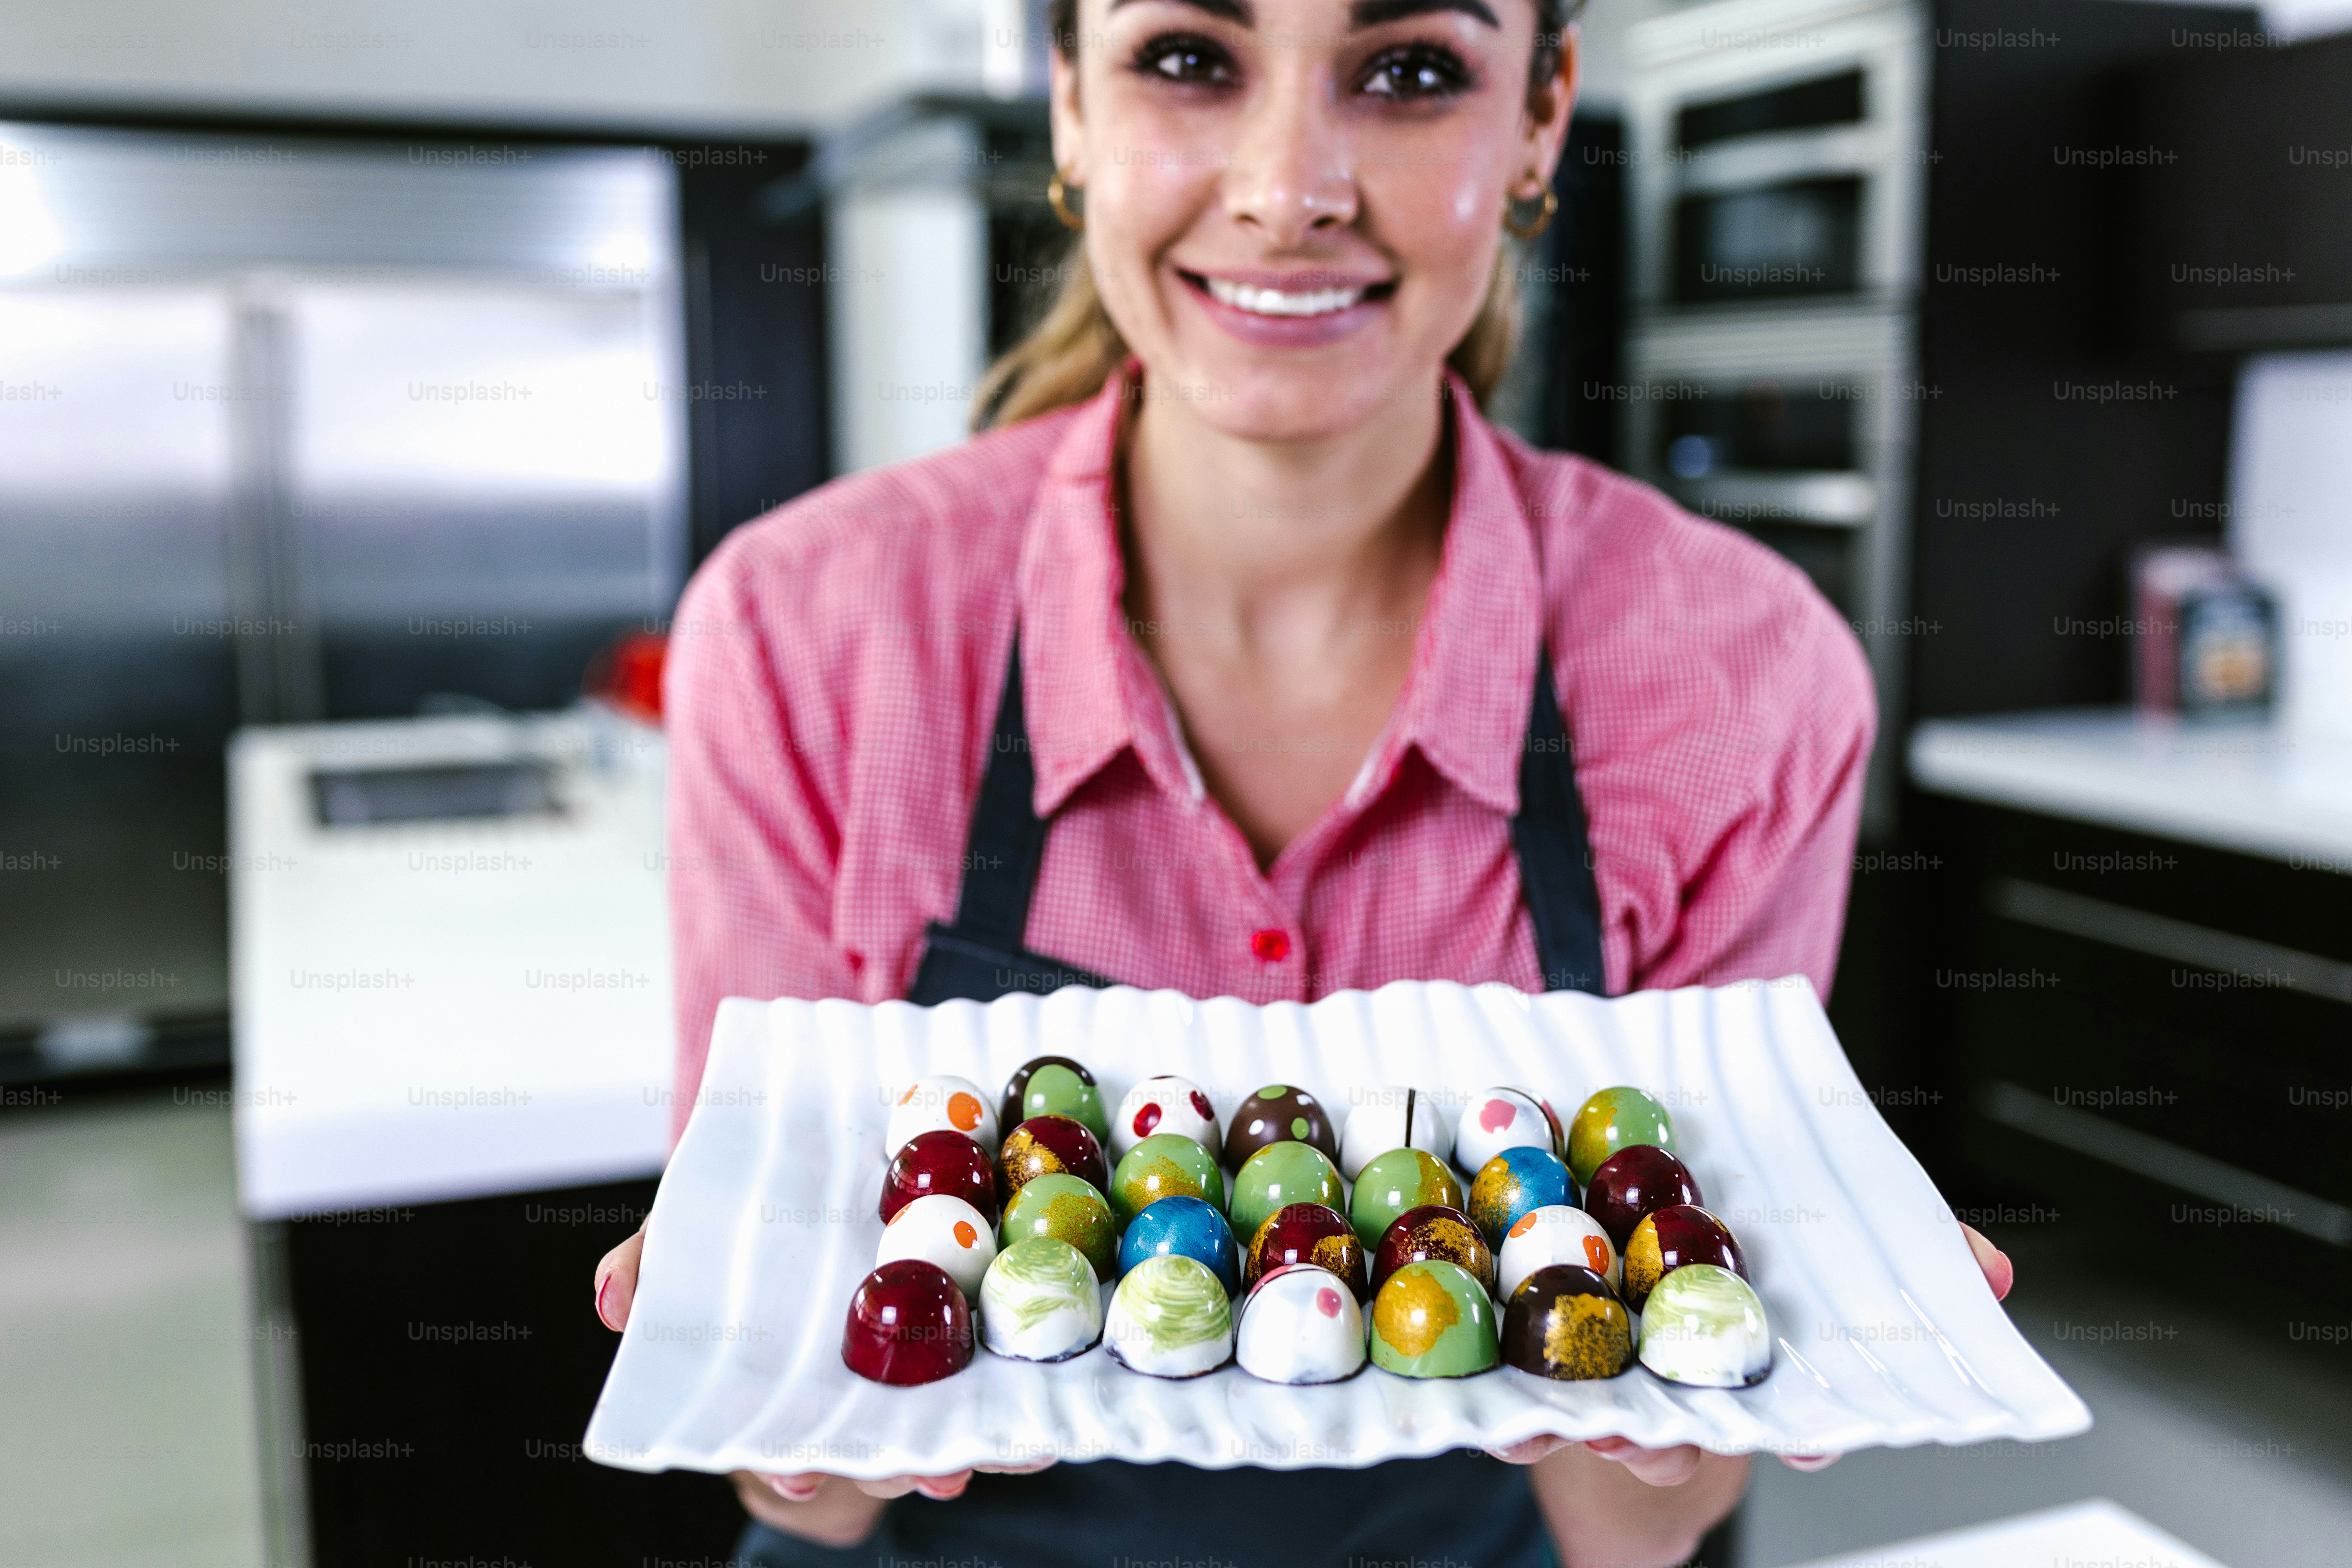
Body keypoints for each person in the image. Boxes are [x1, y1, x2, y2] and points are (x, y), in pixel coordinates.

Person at [592, 0, 2017, 1561]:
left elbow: (1640, 1532)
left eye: (1410, 72)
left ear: (1541, 119)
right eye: (1188, 59)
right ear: (1070, 105)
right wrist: (761, 1355)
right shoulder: (808, 633)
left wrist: (1745, 1335)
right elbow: (799, 1472)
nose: (1289, 190)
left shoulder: (1742, 674)